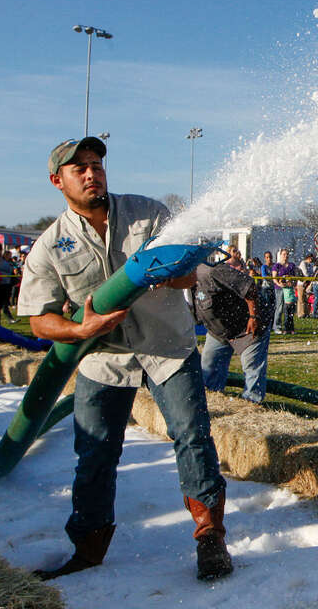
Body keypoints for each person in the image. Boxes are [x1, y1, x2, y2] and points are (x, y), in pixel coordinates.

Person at [18, 137, 231, 581]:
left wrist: (171, 275)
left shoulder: (148, 212)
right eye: (80, 169)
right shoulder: (48, 246)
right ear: (58, 181)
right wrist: (79, 330)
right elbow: (40, 321)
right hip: (103, 358)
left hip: (168, 349)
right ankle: (88, 548)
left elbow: (190, 273)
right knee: (95, 452)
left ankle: (210, 537)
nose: (92, 172)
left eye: (97, 164)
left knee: (192, 437)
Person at [192, 256, 270, 403]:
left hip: (246, 325)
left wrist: (254, 317)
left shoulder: (213, 271)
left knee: (252, 369)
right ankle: (212, 406)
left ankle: (252, 406)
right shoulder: (176, 286)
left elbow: (249, 286)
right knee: (208, 371)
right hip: (219, 331)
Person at [271, 249, 297, 333]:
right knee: (279, 307)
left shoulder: (291, 265)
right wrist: (279, 284)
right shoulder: (277, 266)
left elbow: (294, 277)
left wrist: (292, 283)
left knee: (289, 309)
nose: (285, 256)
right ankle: (277, 327)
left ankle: (288, 327)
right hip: (279, 289)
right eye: (284, 254)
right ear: (280, 255)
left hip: (288, 289)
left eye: (287, 254)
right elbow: (274, 278)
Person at [0, 245, 17, 322]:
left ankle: (7, 318)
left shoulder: (6, 261)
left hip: (5, 285)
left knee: (4, 304)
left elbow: (11, 272)